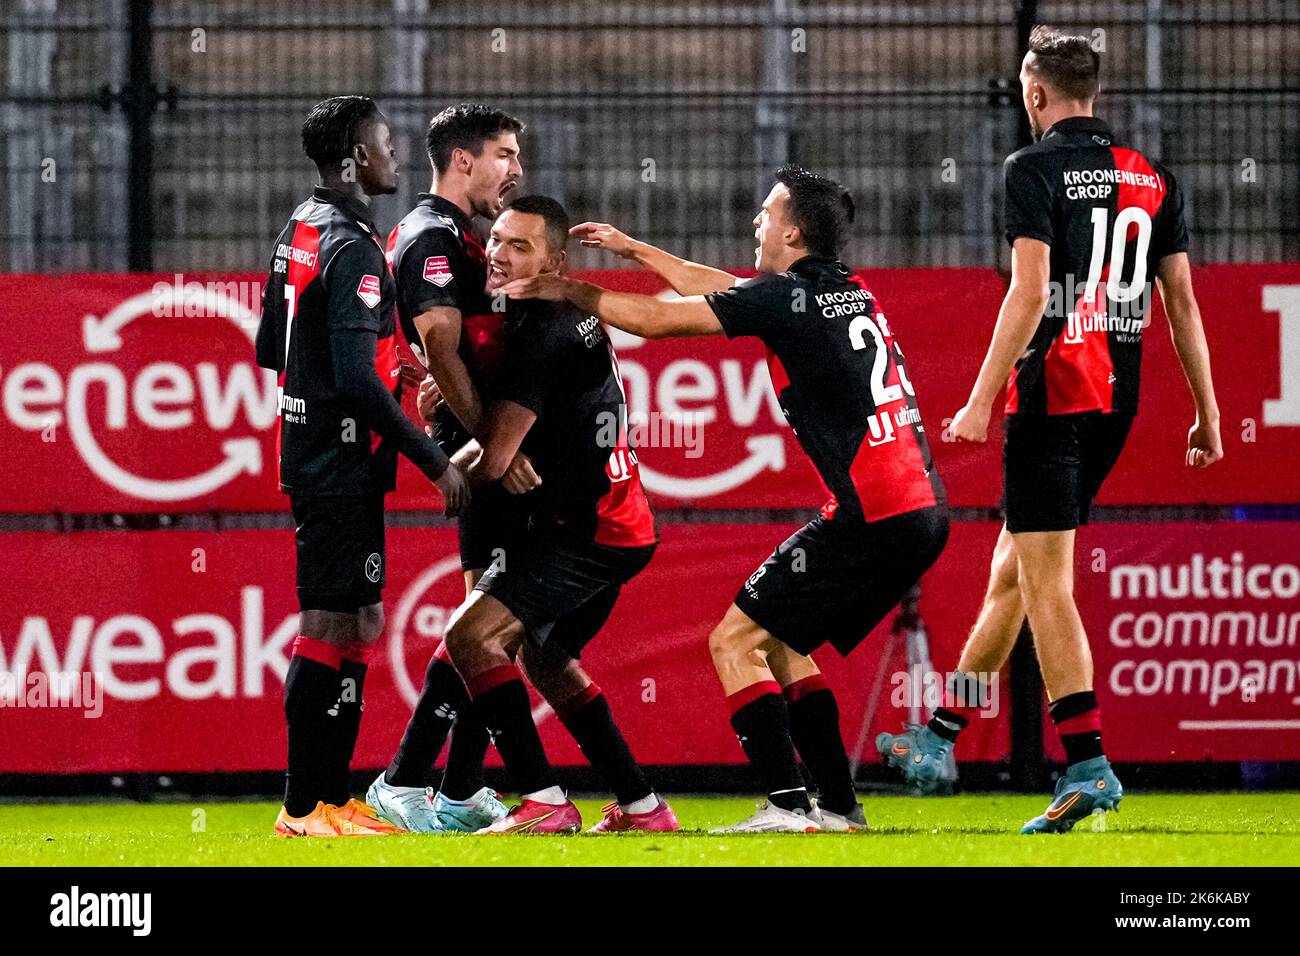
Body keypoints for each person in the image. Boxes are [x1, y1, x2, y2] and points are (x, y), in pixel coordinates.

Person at [503, 166, 949, 832]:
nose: (756, 222)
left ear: (794, 230)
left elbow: (655, 322)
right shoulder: (842, 292)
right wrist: (636, 251)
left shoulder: (785, 299)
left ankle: (786, 805)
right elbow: (718, 287)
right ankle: (837, 808)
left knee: (733, 641)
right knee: (781, 645)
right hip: (919, 510)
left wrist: (571, 287)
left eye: (767, 213)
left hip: (873, 511)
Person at [876, 26, 1222, 834]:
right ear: (1092, 92)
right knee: (1012, 572)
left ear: (1036, 94)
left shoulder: (1031, 168)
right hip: (1118, 401)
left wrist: (978, 397)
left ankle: (1089, 765)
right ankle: (938, 740)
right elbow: (1183, 304)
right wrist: (1208, 411)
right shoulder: (1153, 176)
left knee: (1044, 585)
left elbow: (1029, 293)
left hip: (1055, 396)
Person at [255, 95, 469, 837]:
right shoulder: (350, 243)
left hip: (326, 451)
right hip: (338, 458)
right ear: (354, 158)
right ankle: (302, 806)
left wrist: (387, 363)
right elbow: (349, 377)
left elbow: (271, 347)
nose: (396, 155)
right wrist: (437, 462)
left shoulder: (301, 228)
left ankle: (333, 799)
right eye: (384, 142)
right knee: (329, 620)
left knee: (361, 619)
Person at [444, 195, 676, 834]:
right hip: (612, 523)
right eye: (496, 239)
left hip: (594, 533)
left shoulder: (541, 332)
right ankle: (643, 807)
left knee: (470, 638)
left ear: (554, 259)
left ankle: (544, 801)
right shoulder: (559, 313)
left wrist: (431, 453)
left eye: (521, 247)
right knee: (544, 659)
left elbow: (491, 462)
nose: (499, 254)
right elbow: (509, 444)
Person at [366, 103, 534, 833]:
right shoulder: (433, 235)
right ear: (462, 161)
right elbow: (438, 341)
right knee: (487, 625)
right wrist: (498, 443)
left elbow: (457, 349)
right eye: (504, 153)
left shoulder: (464, 235)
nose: (517, 167)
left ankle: (457, 790)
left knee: (495, 630)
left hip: (487, 445)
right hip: (484, 454)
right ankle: (407, 781)